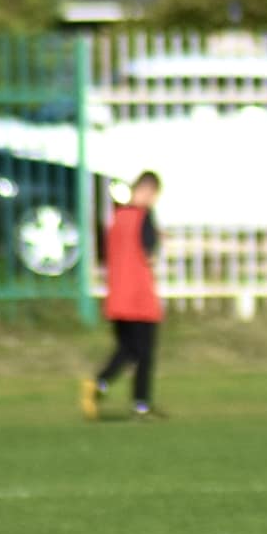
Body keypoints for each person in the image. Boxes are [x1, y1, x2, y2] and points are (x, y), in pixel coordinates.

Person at [81, 171, 163, 421]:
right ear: (149, 191)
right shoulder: (144, 217)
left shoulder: (116, 218)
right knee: (144, 352)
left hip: (117, 296)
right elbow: (149, 254)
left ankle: (98, 386)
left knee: (127, 350)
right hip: (139, 297)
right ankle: (139, 403)